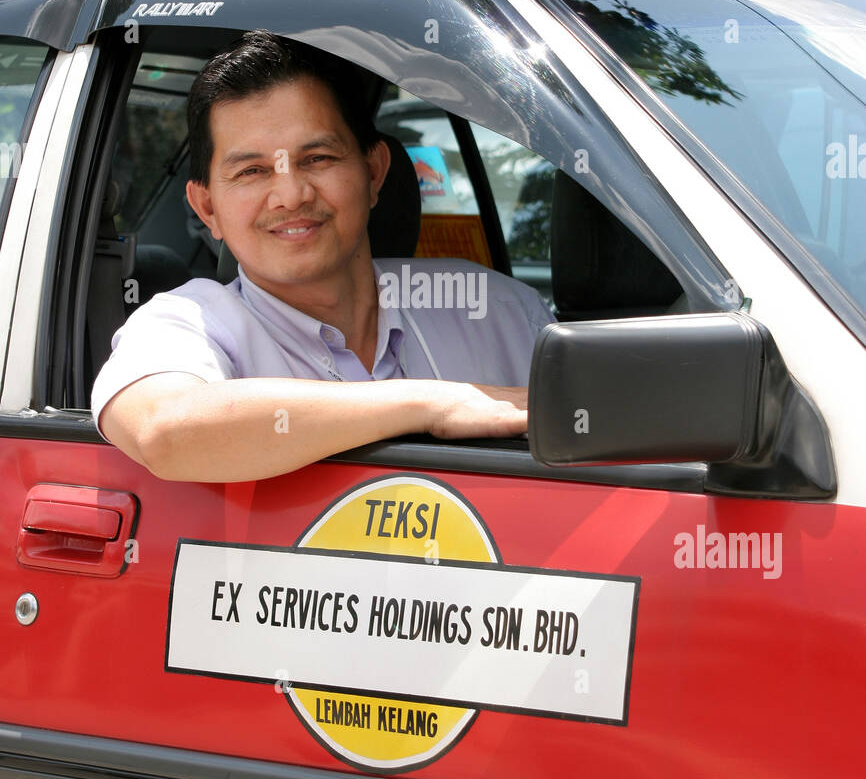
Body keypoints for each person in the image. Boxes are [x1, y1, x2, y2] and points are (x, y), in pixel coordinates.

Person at [92, 30, 555, 481]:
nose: (290, 195)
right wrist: (436, 404)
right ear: (207, 208)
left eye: (317, 159)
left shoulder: (494, 308)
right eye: (252, 171)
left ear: (374, 174)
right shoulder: (191, 321)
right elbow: (165, 432)